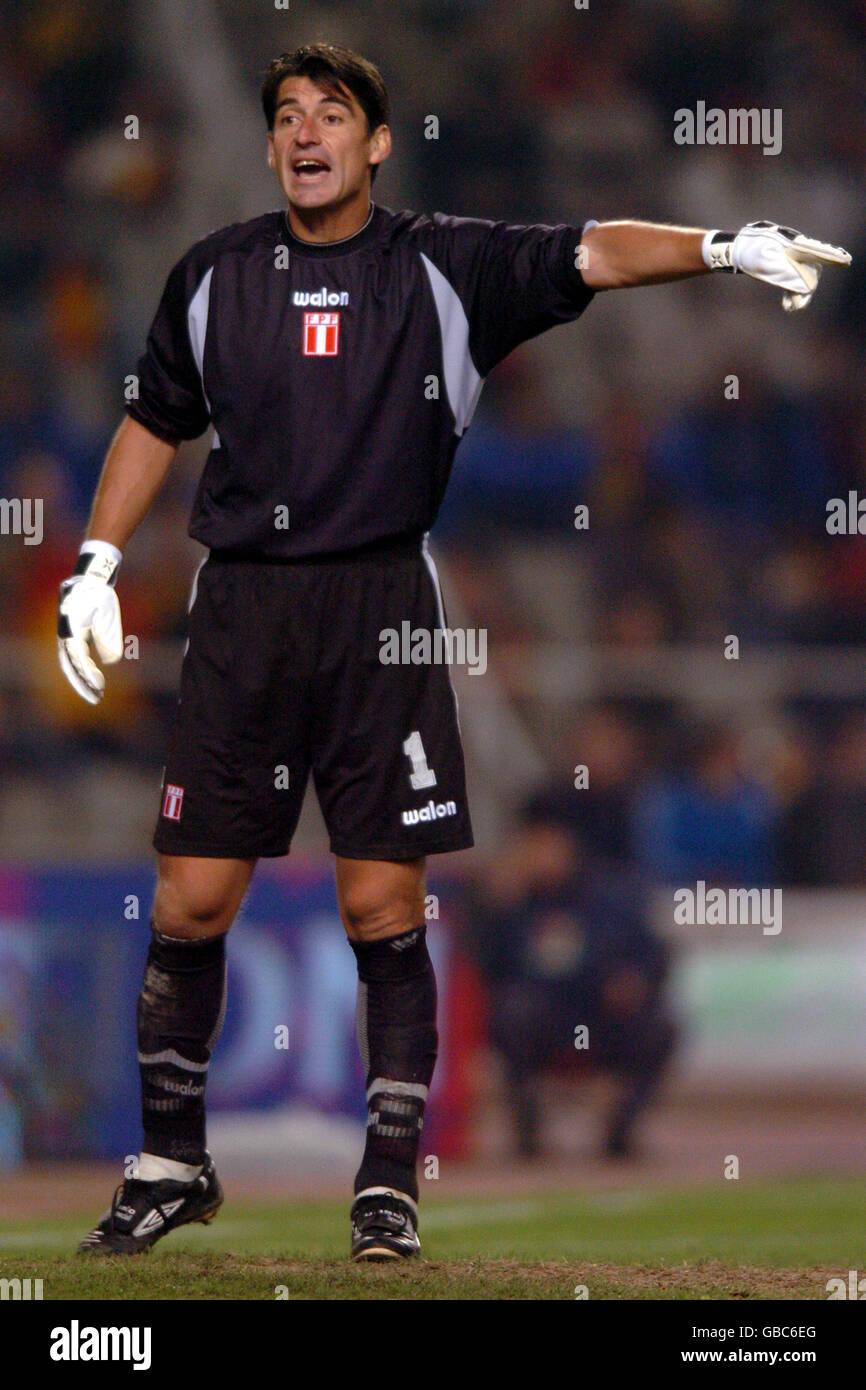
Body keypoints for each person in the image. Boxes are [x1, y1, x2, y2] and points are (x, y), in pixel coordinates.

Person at [59, 42, 850, 1261]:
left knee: (383, 902)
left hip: (380, 607)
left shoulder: (446, 265)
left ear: (376, 143)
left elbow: (589, 248)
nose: (304, 132)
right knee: (191, 895)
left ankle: (386, 1183)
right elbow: (152, 420)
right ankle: (171, 1161)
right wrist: (99, 563)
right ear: (270, 145)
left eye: (332, 114)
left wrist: (715, 246)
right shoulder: (212, 276)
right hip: (243, 614)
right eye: (285, 116)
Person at [466, 806, 678, 1161]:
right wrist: (491, 906)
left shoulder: (608, 897)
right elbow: (484, 966)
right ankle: (527, 1127)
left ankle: (620, 1128)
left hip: (602, 1019)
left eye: (551, 846)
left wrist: (634, 981)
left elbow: (653, 954)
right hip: (544, 1022)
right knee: (512, 1013)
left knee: (660, 1027)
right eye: (534, 847)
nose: (543, 856)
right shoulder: (510, 903)